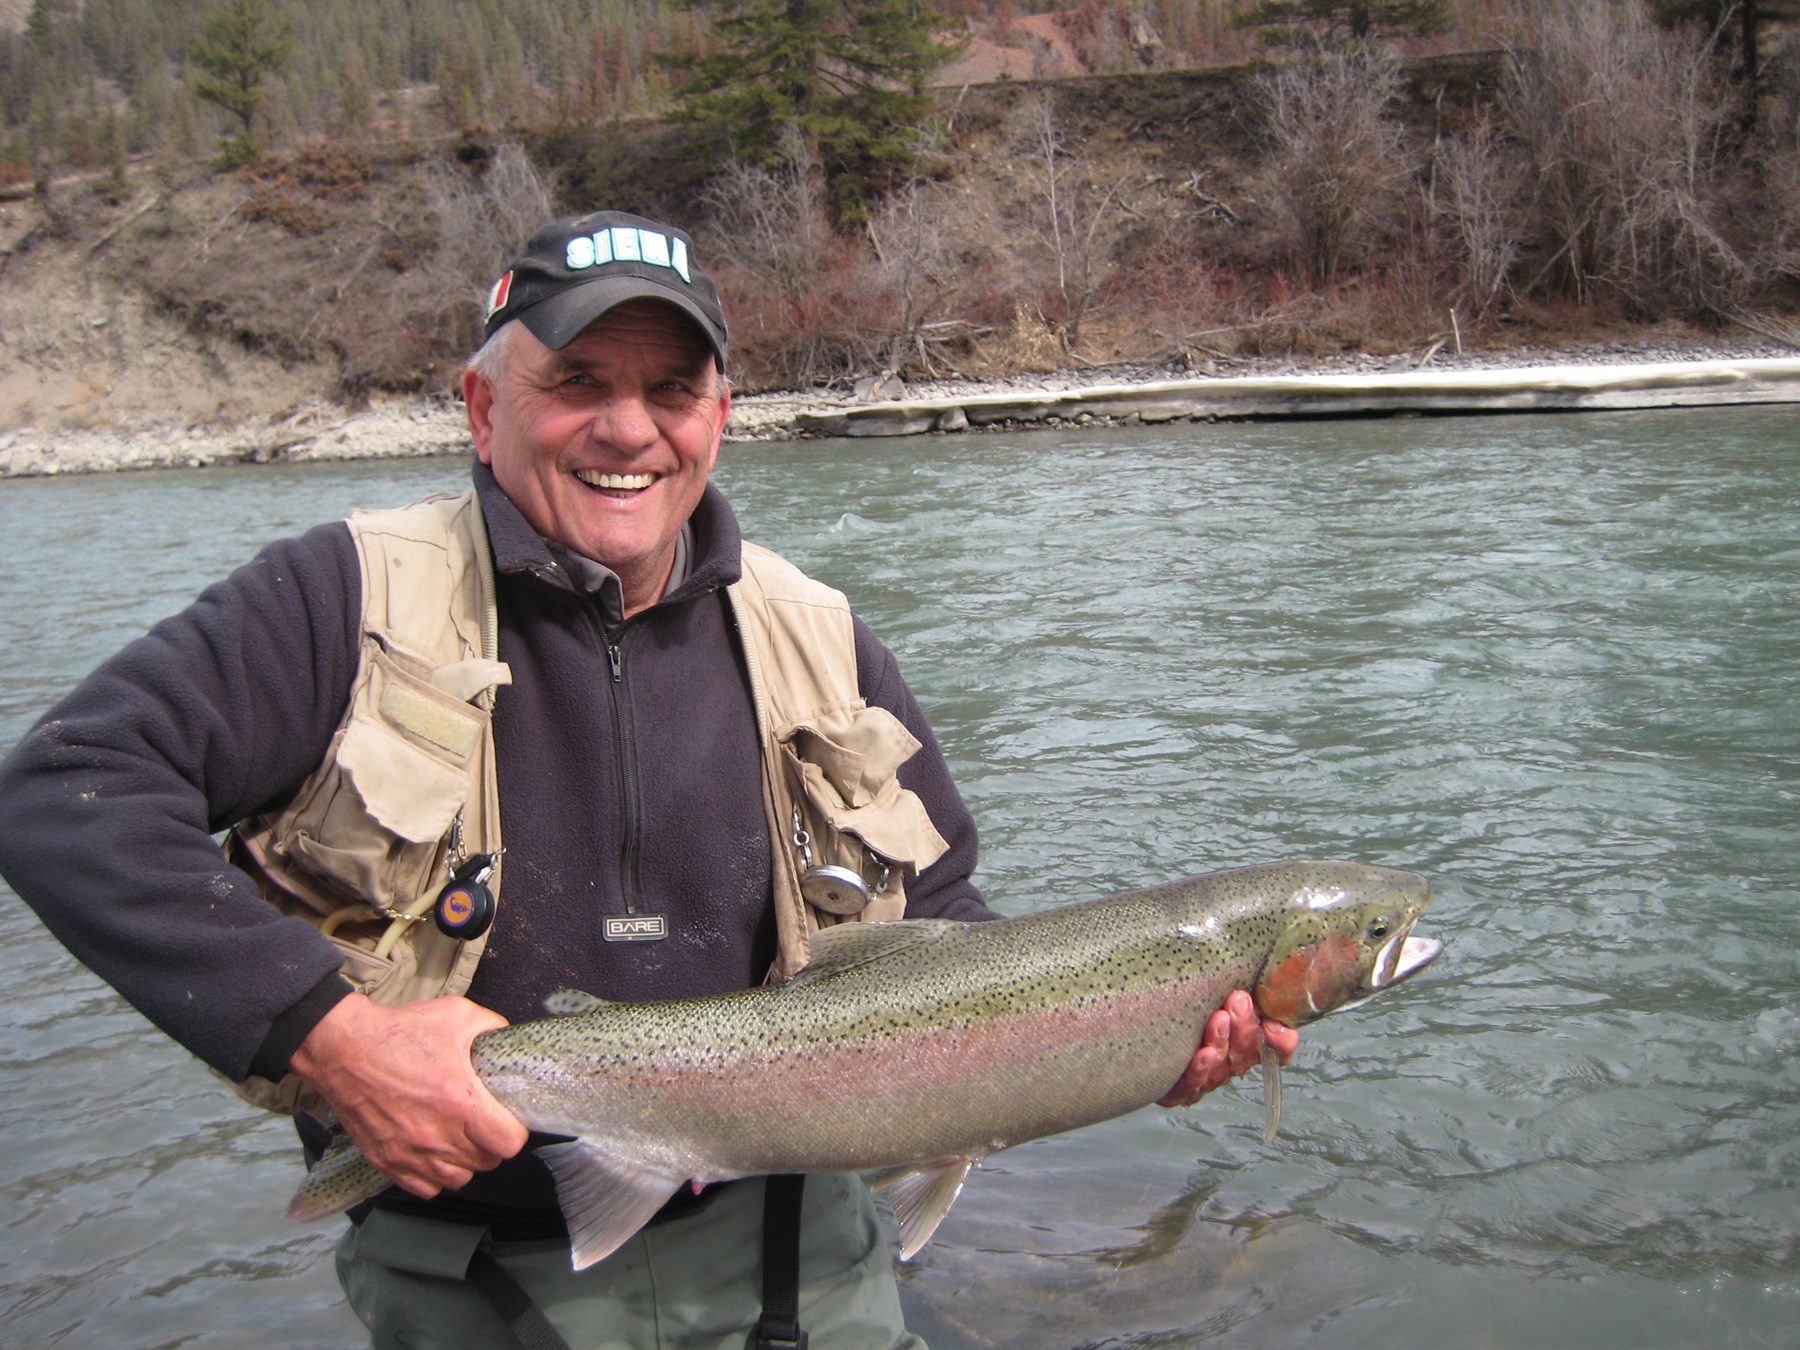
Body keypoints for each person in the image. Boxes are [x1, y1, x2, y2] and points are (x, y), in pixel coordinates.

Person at [0, 209, 1298, 1349]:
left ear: (721, 417)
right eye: (577, 381)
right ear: (482, 405)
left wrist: (1128, 1046)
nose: (629, 430)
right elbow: (64, 790)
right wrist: (333, 1038)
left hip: (810, 1269)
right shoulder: (338, 600)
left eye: (673, 389)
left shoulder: (826, 640)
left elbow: (943, 934)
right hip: (477, 1281)